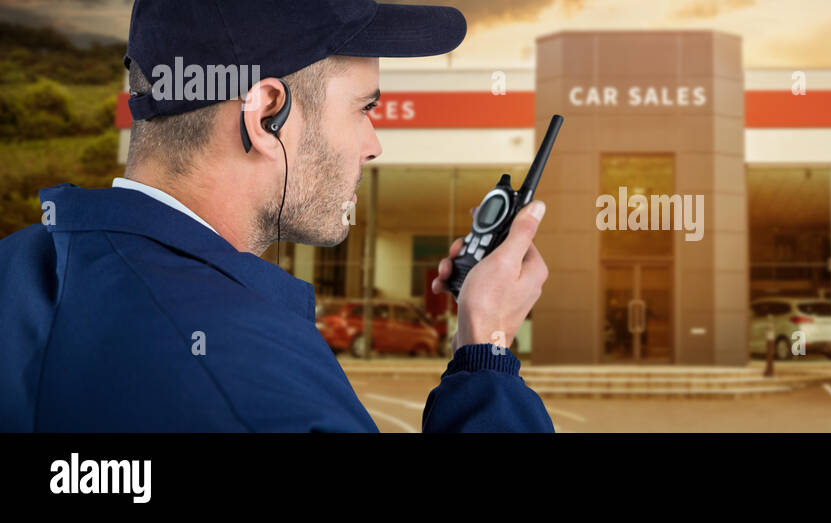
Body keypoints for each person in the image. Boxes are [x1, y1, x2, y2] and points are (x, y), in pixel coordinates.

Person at [0, 0, 552, 433]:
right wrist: (488, 350)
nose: (374, 144)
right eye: (365, 108)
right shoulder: (267, 388)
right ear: (266, 114)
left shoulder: (17, 271)